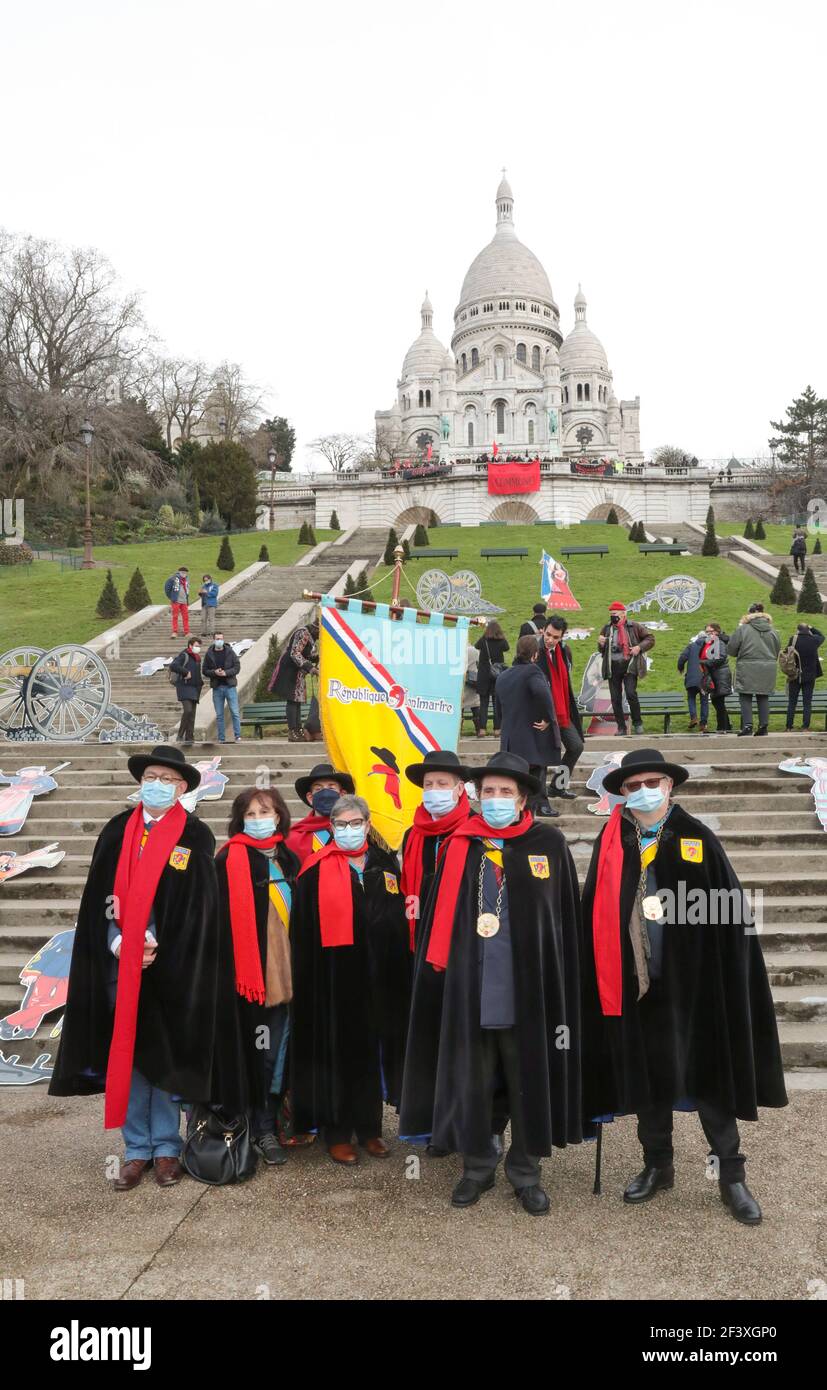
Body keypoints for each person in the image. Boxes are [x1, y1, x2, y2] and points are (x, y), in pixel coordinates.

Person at [580, 748, 787, 1225]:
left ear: (670, 786)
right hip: (637, 987)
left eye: (652, 782)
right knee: (650, 1082)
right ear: (622, 793)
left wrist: (726, 983)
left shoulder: (697, 838)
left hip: (697, 989)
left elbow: (732, 917)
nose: (643, 791)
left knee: (711, 1082)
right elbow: (593, 910)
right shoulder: (612, 842)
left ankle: (731, 1176)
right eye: (633, 786)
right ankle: (658, 1165)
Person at [49, 746, 248, 1191]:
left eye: (166, 778)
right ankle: (136, 1149)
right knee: (132, 1055)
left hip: (171, 966)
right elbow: (100, 895)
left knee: (165, 1055)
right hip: (120, 963)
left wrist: (160, 941)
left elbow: (198, 905)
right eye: (151, 776)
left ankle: (167, 1148)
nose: (156, 783)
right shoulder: (118, 830)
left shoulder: (194, 836)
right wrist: (117, 937)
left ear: (181, 788)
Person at [399, 752, 582, 1215]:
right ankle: (477, 1167)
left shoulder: (548, 843)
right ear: (476, 797)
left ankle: (525, 1172)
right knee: (475, 1082)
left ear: (522, 797)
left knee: (527, 1081)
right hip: (471, 987)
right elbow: (441, 922)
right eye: (488, 792)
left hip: (529, 991)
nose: (496, 800)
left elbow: (562, 918)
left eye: (506, 792)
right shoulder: (463, 844)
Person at [290, 794, 410, 1165]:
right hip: (333, 981)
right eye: (339, 825)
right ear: (331, 828)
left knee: (371, 1055)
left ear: (368, 825)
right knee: (338, 1055)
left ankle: (371, 1129)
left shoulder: (385, 865)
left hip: (380, 978)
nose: (347, 830)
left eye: (354, 823)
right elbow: (303, 935)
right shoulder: (315, 870)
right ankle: (338, 1133)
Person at [215, 786, 298, 1166]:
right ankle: (253, 1128)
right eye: (250, 814)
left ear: (279, 815)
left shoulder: (291, 860)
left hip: (289, 977)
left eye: (265, 812)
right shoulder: (229, 859)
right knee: (255, 1055)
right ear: (239, 820)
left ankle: (272, 1123)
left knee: (278, 1056)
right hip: (247, 979)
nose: (259, 819)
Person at [401, 750, 470, 950]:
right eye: (428, 785)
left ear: (459, 789)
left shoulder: (475, 829)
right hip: (421, 925)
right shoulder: (413, 834)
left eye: (442, 784)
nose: (433, 790)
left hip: (461, 931)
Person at [495, 634, 560, 817]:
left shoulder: (503, 675)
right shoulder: (532, 671)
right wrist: (549, 718)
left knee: (515, 777)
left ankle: (521, 811)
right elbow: (543, 694)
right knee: (536, 770)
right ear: (534, 654)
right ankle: (537, 807)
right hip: (528, 735)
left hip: (509, 737)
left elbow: (498, 706)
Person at [538, 615, 584, 798]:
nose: (550, 640)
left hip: (563, 712)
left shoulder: (563, 651)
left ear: (562, 637)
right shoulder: (534, 650)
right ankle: (540, 798)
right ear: (543, 630)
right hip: (543, 714)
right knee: (541, 757)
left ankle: (558, 786)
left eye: (555, 637)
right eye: (548, 634)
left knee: (576, 747)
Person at [597, 601, 654, 735]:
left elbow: (650, 639)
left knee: (631, 693)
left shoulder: (633, 626)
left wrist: (638, 647)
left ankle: (637, 723)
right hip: (613, 667)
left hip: (629, 665)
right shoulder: (606, 628)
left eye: (615, 614)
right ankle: (621, 727)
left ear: (623, 614)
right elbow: (601, 650)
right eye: (611, 614)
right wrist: (600, 643)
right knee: (615, 698)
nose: (613, 617)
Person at [286, 762, 355, 864]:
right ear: (310, 798)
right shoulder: (293, 838)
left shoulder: (356, 829)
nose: (325, 793)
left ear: (342, 795)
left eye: (331, 788)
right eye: (318, 789)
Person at [726, 608, 780, 736]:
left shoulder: (743, 629)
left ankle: (747, 725)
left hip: (747, 666)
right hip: (768, 667)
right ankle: (763, 725)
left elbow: (732, 650)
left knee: (745, 696)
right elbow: (777, 650)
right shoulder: (773, 631)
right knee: (763, 695)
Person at [269, 619, 319, 741]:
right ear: (316, 629)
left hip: (299, 671)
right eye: (320, 632)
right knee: (292, 699)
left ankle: (298, 729)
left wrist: (317, 658)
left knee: (297, 701)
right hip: (290, 670)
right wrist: (310, 668)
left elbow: (306, 654)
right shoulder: (303, 633)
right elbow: (295, 653)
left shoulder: (311, 638)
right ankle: (293, 731)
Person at [784, 622, 824, 731]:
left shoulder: (793, 639)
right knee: (807, 702)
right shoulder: (815, 640)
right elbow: (822, 636)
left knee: (792, 702)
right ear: (808, 630)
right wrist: (813, 628)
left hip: (795, 675)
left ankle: (788, 727)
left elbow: (786, 652)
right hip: (810, 676)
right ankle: (805, 727)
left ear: (798, 630)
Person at [202, 632, 241, 744]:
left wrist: (226, 673)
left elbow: (237, 667)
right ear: (214, 640)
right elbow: (204, 670)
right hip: (217, 687)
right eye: (218, 639)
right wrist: (214, 672)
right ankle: (221, 738)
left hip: (230, 686)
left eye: (221, 639)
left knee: (235, 712)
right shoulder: (209, 653)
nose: (220, 640)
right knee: (219, 715)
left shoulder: (230, 651)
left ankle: (237, 736)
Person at [474, 620, 509, 735]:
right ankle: (497, 729)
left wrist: (484, 635)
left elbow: (476, 645)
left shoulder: (484, 640)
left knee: (483, 704)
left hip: (484, 675)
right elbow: (507, 647)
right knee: (496, 703)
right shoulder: (501, 641)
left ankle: (482, 729)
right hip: (497, 675)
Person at [697, 623, 733, 732]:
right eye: (707, 631)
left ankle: (722, 727)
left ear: (717, 631)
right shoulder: (710, 642)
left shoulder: (718, 642)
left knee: (718, 702)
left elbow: (720, 658)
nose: (708, 633)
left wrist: (703, 662)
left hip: (720, 675)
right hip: (714, 675)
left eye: (711, 631)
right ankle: (726, 726)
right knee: (717, 702)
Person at [170, 637, 203, 745]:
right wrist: (185, 672)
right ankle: (180, 735)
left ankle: (189, 737)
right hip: (184, 687)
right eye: (196, 646)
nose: (198, 648)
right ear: (190, 645)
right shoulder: (184, 655)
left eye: (199, 646)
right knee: (188, 710)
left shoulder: (197, 658)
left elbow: (198, 674)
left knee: (192, 714)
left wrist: (200, 685)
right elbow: (173, 665)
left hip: (194, 688)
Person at [677, 629, 711, 731]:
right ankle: (703, 724)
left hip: (691, 679)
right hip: (704, 679)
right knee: (704, 701)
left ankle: (694, 718)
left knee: (691, 698)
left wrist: (680, 668)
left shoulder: (691, 646)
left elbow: (682, 657)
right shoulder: (710, 646)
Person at [164, 566, 190, 640]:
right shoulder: (173, 578)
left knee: (186, 617)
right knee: (175, 616)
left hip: (184, 601)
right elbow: (167, 588)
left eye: (185, 572)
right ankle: (175, 632)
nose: (184, 574)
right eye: (183, 572)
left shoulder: (186, 579)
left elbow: (187, 589)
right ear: (179, 572)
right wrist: (172, 597)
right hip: (176, 601)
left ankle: (187, 632)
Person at [464, 643, 482, 735]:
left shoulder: (459, 650)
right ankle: (479, 730)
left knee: (460, 706)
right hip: (473, 679)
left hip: (462, 681)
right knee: (475, 705)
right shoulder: (475, 650)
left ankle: (458, 730)